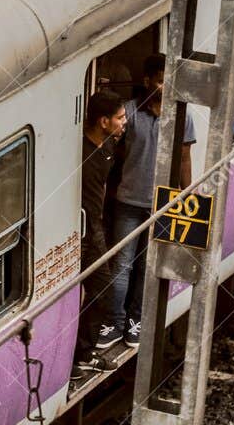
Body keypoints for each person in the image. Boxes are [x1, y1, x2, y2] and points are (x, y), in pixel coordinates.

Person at [110, 54, 196, 348]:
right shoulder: (130, 113)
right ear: (147, 81)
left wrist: (188, 197)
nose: (166, 86)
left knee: (145, 266)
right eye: (160, 80)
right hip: (129, 202)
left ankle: (133, 322)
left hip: (164, 204)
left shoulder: (179, 115)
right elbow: (116, 154)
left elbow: (185, 158)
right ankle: (118, 323)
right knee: (124, 267)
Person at [72, 91, 129, 379]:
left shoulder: (107, 147)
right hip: (84, 230)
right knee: (101, 287)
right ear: (104, 121)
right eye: (120, 118)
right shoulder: (82, 154)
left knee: (100, 289)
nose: (125, 122)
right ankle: (79, 355)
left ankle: (82, 352)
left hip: (94, 226)